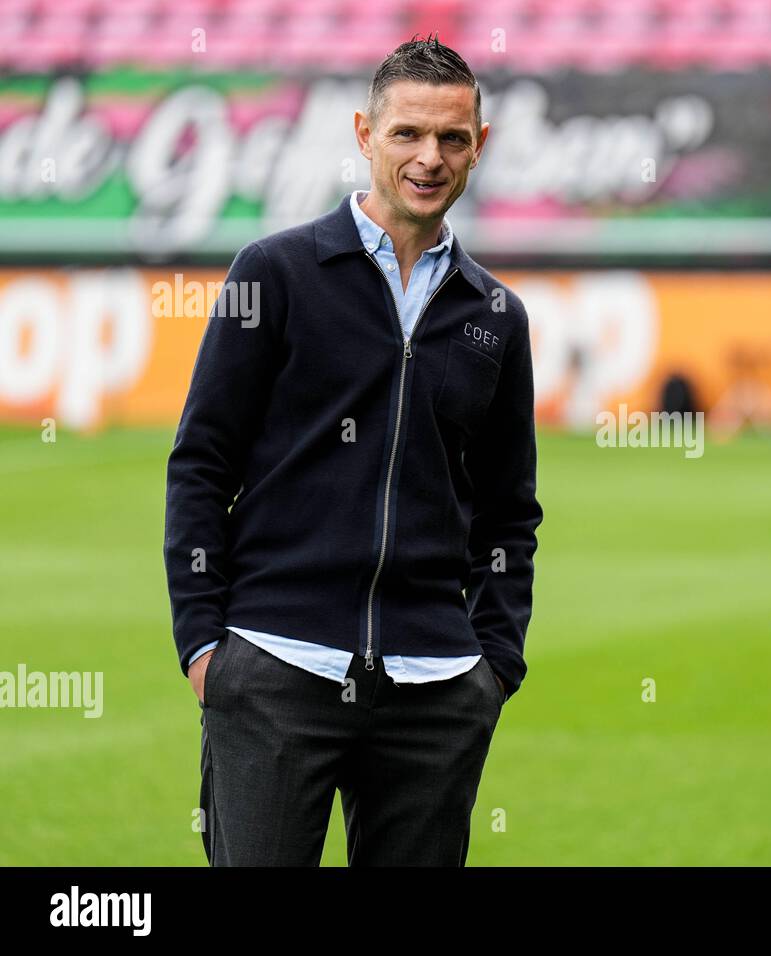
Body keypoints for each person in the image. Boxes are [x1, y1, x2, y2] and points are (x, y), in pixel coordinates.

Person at [163, 36, 542, 866]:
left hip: (437, 690)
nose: (428, 158)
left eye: (451, 138)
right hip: (273, 669)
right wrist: (204, 647)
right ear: (366, 134)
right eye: (407, 134)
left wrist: (495, 665)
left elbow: (511, 512)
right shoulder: (274, 273)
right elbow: (201, 464)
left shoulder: (497, 316)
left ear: (481, 145)